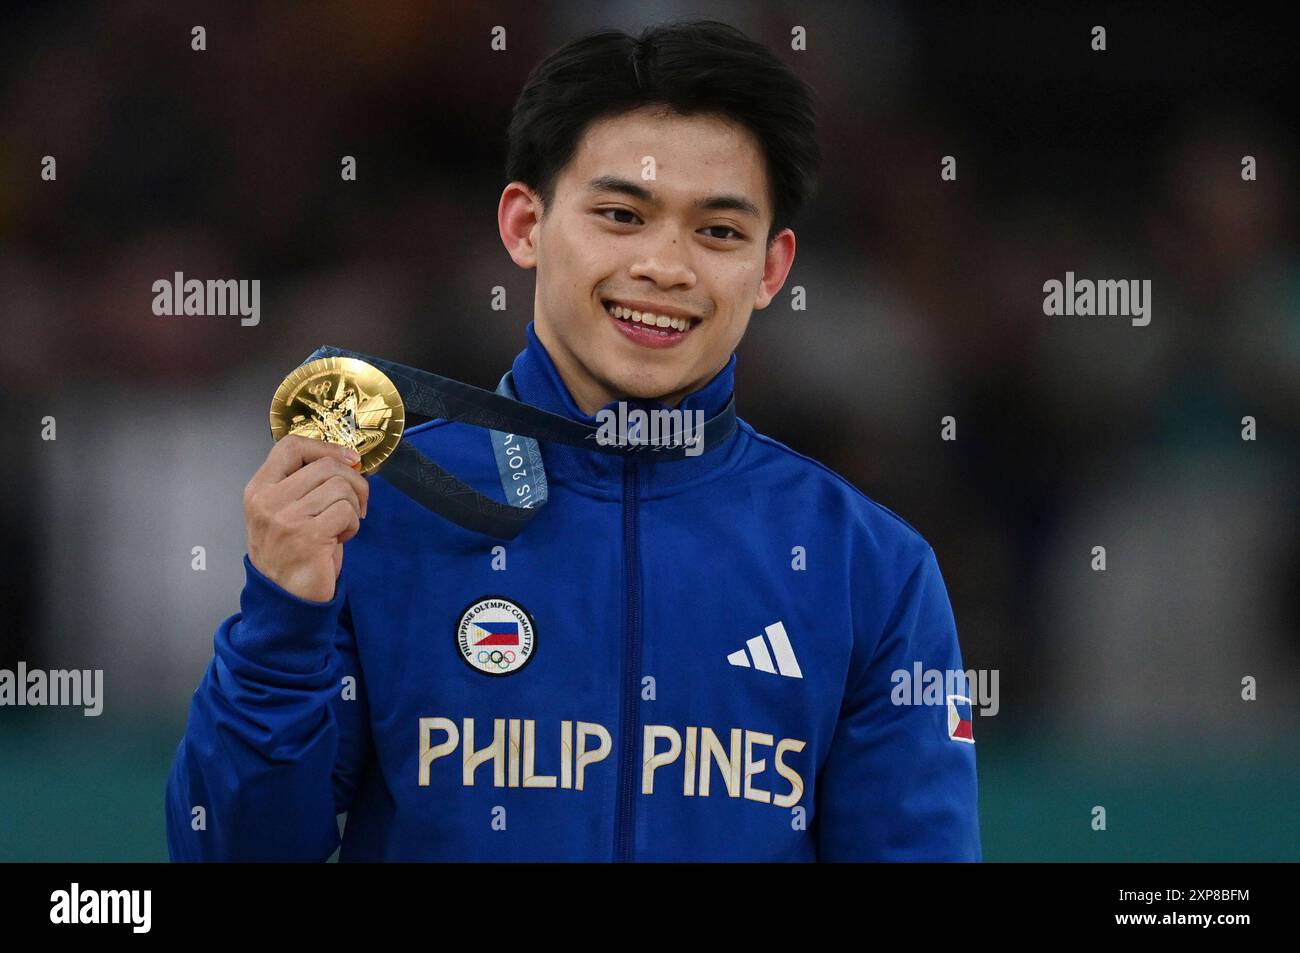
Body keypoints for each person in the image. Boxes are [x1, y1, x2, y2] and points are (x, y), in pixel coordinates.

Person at [165, 18, 981, 862]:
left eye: (719, 231)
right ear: (524, 225)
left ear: (771, 269)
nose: (666, 266)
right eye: (622, 214)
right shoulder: (373, 510)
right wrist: (282, 618)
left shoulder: (868, 568)